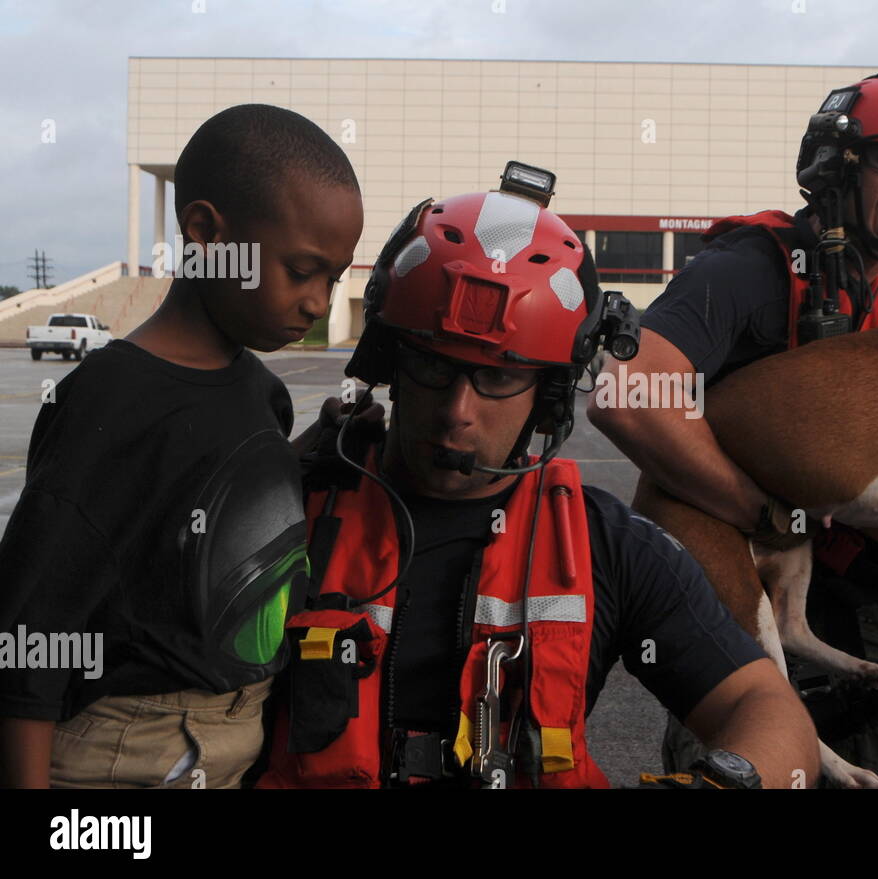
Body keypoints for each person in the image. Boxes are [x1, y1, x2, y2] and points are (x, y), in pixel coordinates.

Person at [255, 167, 820, 789]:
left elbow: (768, 709)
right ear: (389, 360)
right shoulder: (285, 506)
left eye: (498, 378)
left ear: (550, 395)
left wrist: (724, 779)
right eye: (433, 367)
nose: (457, 412)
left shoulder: (605, 545)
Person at [588, 71, 878, 788]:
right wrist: (756, 509)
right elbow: (627, 391)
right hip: (743, 614)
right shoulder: (751, 268)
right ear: (838, 168)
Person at [0, 104, 364, 788]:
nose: (319, 301)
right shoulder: (113, 400)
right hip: (126, 753)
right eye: (303, 269)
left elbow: (220, 497)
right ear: (204, 232)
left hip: (235, 736)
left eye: (335, 279)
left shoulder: (260, 392)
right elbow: (29, 631)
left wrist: (325, 443)